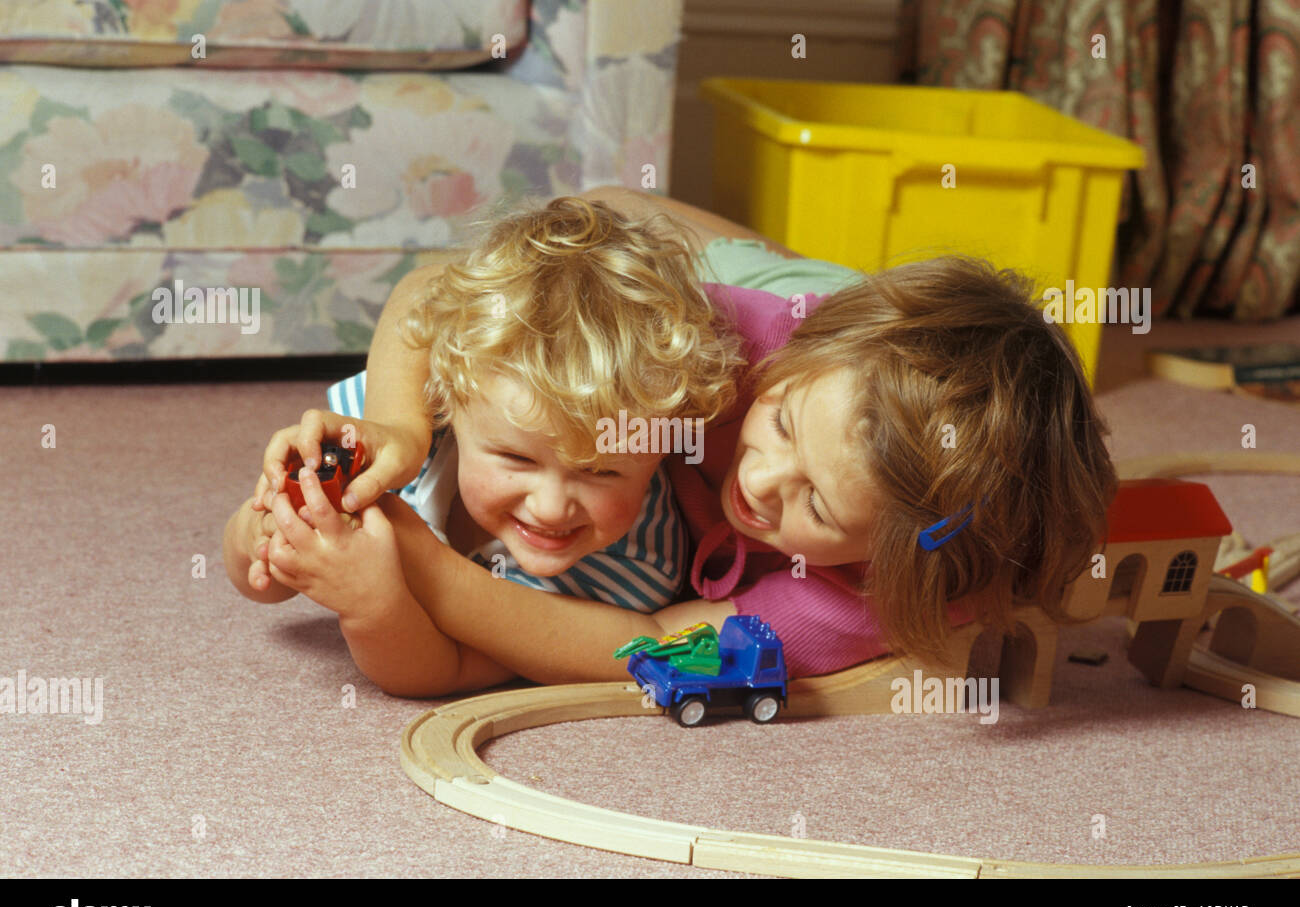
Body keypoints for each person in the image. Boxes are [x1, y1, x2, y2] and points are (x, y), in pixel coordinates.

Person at [251, 187, 1118, 696]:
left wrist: (429, 574)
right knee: (601, 225)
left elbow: (647, 641)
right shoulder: (751, 342)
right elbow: (441, 291)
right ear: (792, 366)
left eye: (814, 500)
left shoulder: (855, 606)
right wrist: (400, 427)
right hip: (782, 292)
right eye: (779, 427)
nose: (761, 478)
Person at [222, 196, 742, 694]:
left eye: (602, 472)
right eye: (516, 458)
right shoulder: (388, 433)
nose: (551, 506)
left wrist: (372, 607)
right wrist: (271, 525)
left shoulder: (629, 568)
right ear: (446, 398)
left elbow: (445, 670)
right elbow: (254, 581)